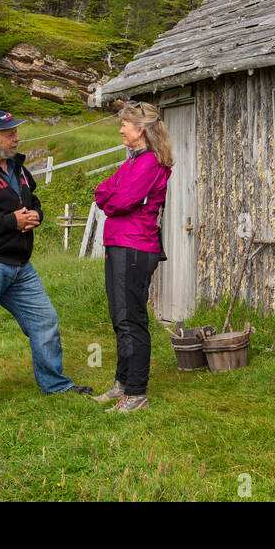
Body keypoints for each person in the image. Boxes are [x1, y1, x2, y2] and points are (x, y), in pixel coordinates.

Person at [0, 109, 93, 411]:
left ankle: (54, 385)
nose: (17, 138)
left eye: (16, 132)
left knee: (45, 320)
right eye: (10, 133)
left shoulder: (18, 169)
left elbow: (34, 203)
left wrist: (35, 216)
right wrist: (10, 222)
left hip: (19, 266)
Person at [89, 101, 173, 413]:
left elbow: (120, 199)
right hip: (122, 244)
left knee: (131, 319)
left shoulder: (149, 162)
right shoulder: (133, 161)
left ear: (142, 130)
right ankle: (122, 384)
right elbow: (103, 191)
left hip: (135, 246)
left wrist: (114, 200)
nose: (121, 129)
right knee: (119, 316)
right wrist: (113, 199)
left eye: (126, 123)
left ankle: (136, 392)